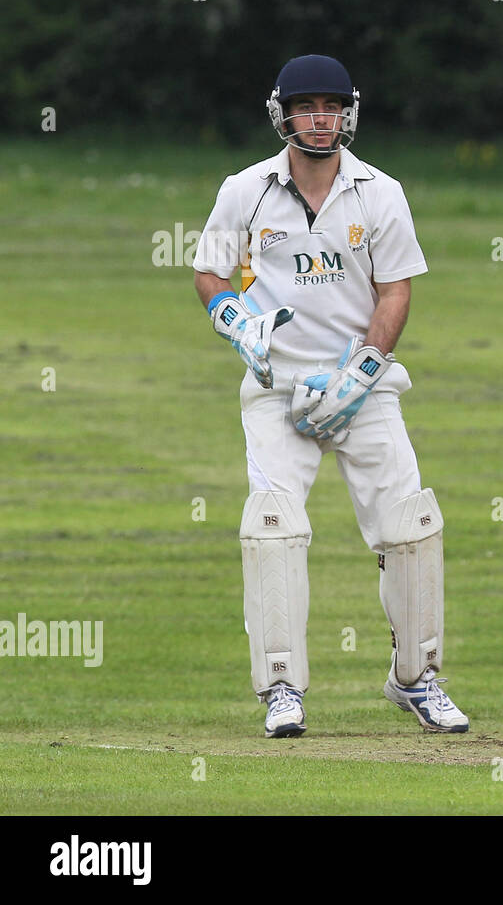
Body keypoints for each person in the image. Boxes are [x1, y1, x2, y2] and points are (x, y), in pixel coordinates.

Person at [192, 54, 469, 738]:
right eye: (306, 107)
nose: (320, 119)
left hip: (363, 386)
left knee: (410, 526)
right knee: (274, 529)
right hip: (275, 383)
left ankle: (416, 679)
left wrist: (364, 368)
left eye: (331, 107)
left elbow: (395, 289)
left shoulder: (381, 192)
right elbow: (210, 273)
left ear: (348, 113)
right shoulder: (245, 190)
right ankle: (282, 689)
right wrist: (234, 320)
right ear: (282, 114)